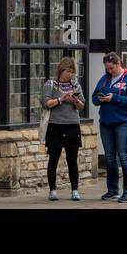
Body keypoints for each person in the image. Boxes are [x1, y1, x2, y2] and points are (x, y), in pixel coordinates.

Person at [91, 52, 127, 203]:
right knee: (110, 157)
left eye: (111, 68)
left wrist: (115, 98)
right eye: (107, 69)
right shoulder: (105, 79)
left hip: (124, 123)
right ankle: (112, 190)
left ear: (119, 64)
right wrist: (100, 99)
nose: (109, 71)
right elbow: (94, 97)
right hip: (106, 123)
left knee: (124, 156)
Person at [42, 57, 86, 201]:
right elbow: (46, 103)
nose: (70, 75)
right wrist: (61, 99)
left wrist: (75, 101)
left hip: (72, 125)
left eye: (72, 72)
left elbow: (81, 106)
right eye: (68, 71)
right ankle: (53, 190)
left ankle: (75, 190)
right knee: (53, 159)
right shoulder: (51, 84)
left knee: (72, 159)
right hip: (55, 125)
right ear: (61, 70)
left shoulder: (76, 85)